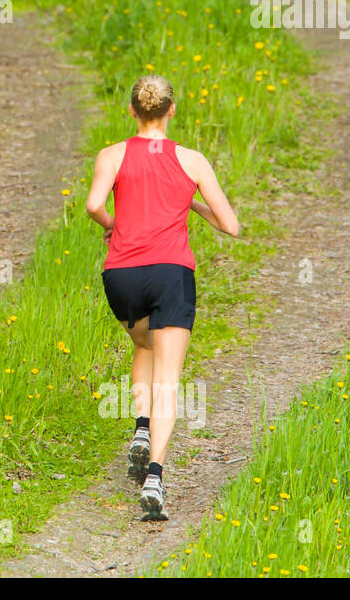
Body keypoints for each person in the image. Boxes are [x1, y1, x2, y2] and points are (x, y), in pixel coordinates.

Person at [84, 75, 239, 520]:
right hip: (171, 273)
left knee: (142, 344)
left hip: (123, 275)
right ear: (172, 110)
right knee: (169, 377)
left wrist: (112, 225)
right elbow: (231, 225)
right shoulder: (191, 161)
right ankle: (154, 474)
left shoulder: (112, 155)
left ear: (132, 111)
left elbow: (94, 204)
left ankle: (139, 427)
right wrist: (191, 203)